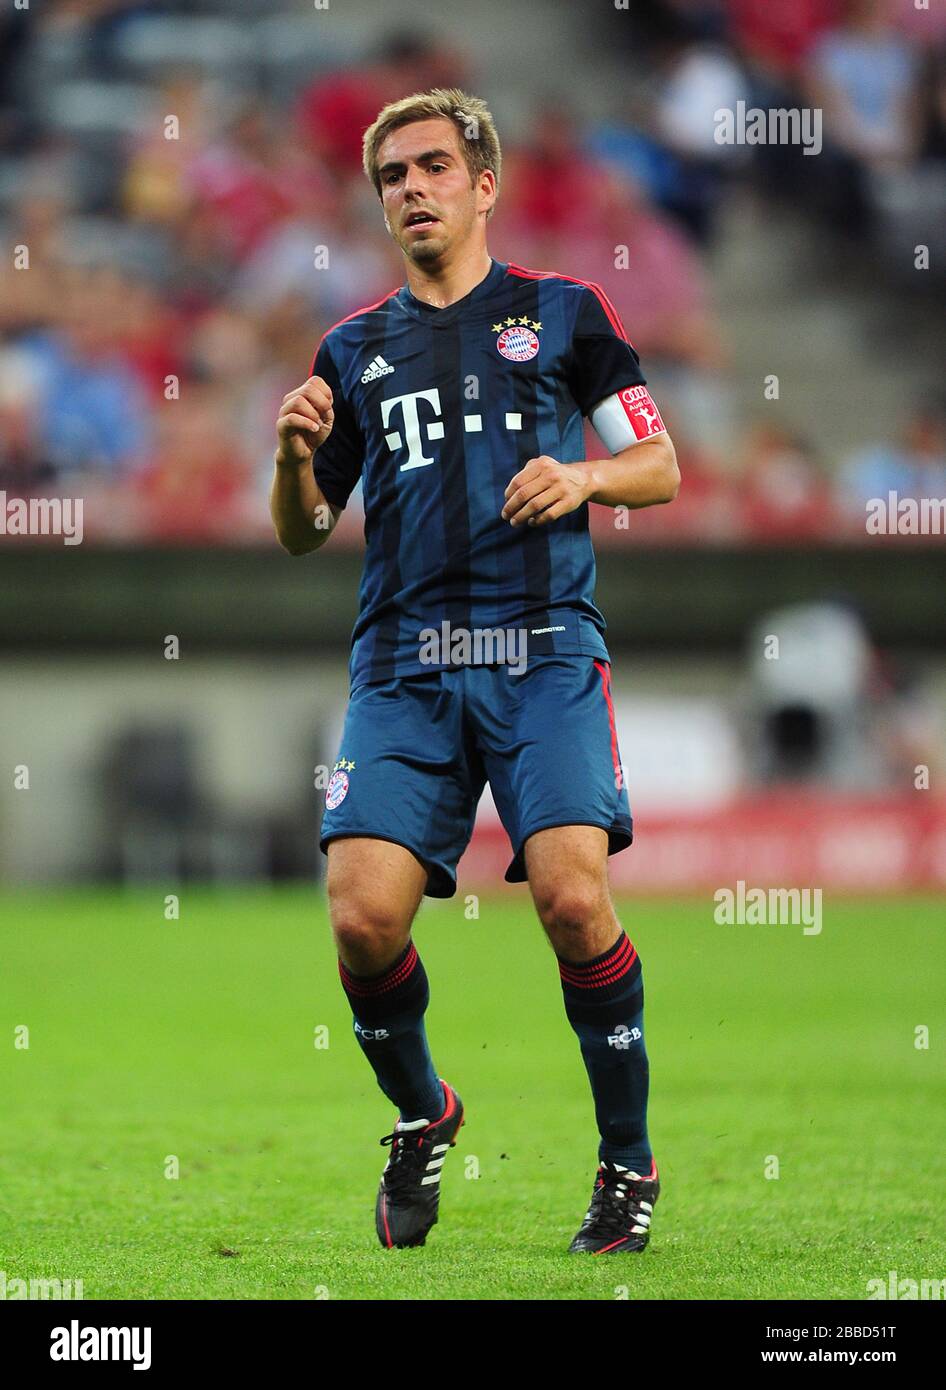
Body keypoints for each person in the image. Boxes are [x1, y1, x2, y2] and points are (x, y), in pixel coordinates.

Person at [270, 89, 680, 1254]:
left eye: (434, 167)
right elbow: (303, 529)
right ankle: (422, 1113)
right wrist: (294, 458)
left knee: (568, 892)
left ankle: (625, 1162)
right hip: (402, 666)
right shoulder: (351, 350)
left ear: (483, 183)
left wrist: (585, 479)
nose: (412, 188)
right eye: (392, 174)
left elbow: (658, 464)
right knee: (360, 920)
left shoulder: (563, 315)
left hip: (541, 647)